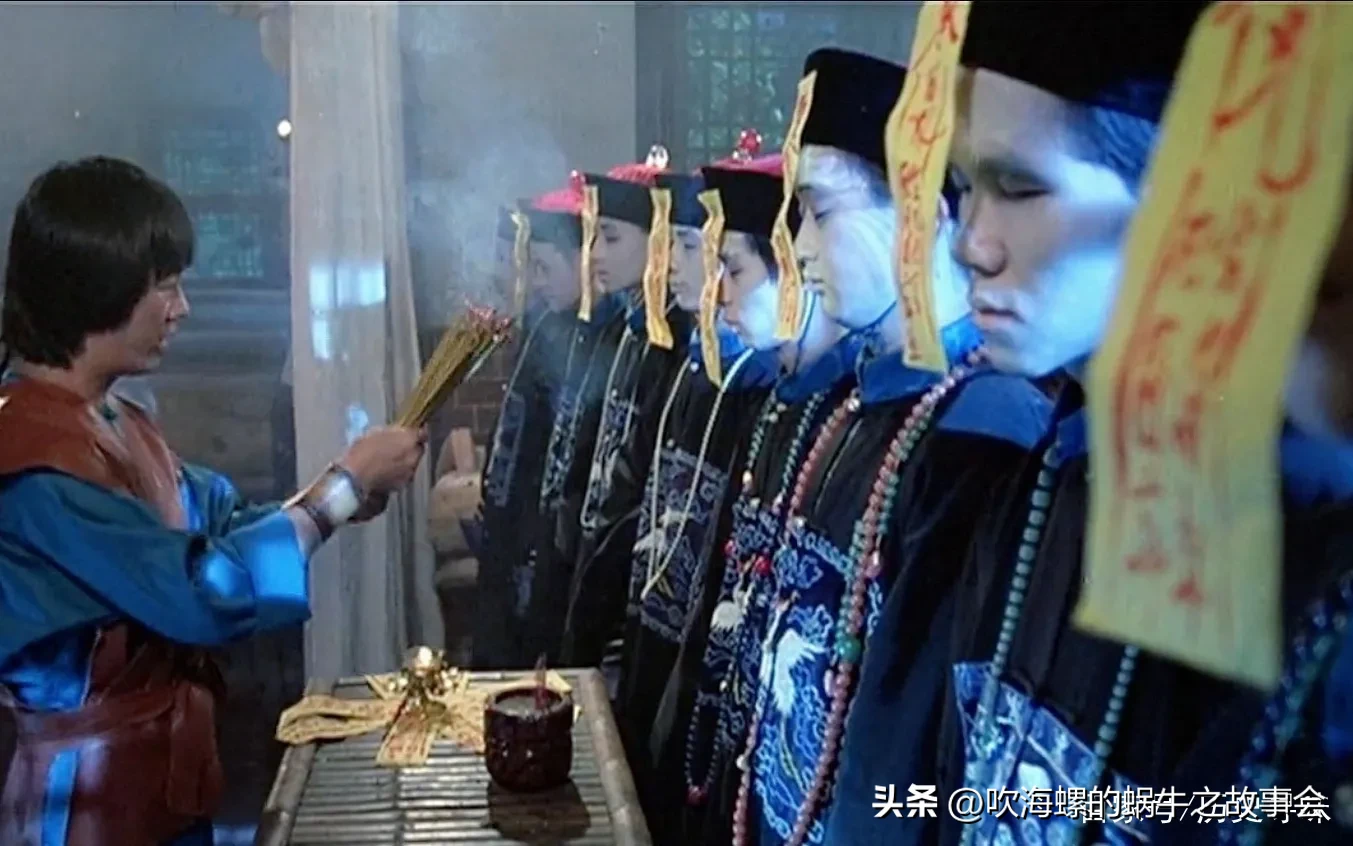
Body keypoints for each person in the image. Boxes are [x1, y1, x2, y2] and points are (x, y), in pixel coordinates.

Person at [0, 156, 426, 846]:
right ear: (97, 287)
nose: (181, 308)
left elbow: (219, 522)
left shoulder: (109, 419)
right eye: (164, 286)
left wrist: (345, 494)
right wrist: (344, 484)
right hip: (84, 807)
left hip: (157, 784)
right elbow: (201, 589)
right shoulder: (32, 456)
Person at [928, 4, 1241, 844]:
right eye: (963, 188)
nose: (970, 244)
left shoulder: (1267, 558)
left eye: (1019, 188)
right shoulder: (1038, 483)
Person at [613, 149, 785, 831]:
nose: (694, 274)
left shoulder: (762, 393)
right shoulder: (695, 370)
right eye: (684, 249)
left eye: (719, 260)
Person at [557, 149, 699, 668]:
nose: (593, 253)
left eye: (610, 238)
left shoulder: (673, 347)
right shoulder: (627, 331)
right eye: (591, 237)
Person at [470, 184, 584, 669]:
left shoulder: (591, 340)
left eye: (543, 268)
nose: (533, 281)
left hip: (544, 536)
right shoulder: (542, 325)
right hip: (510, 523)